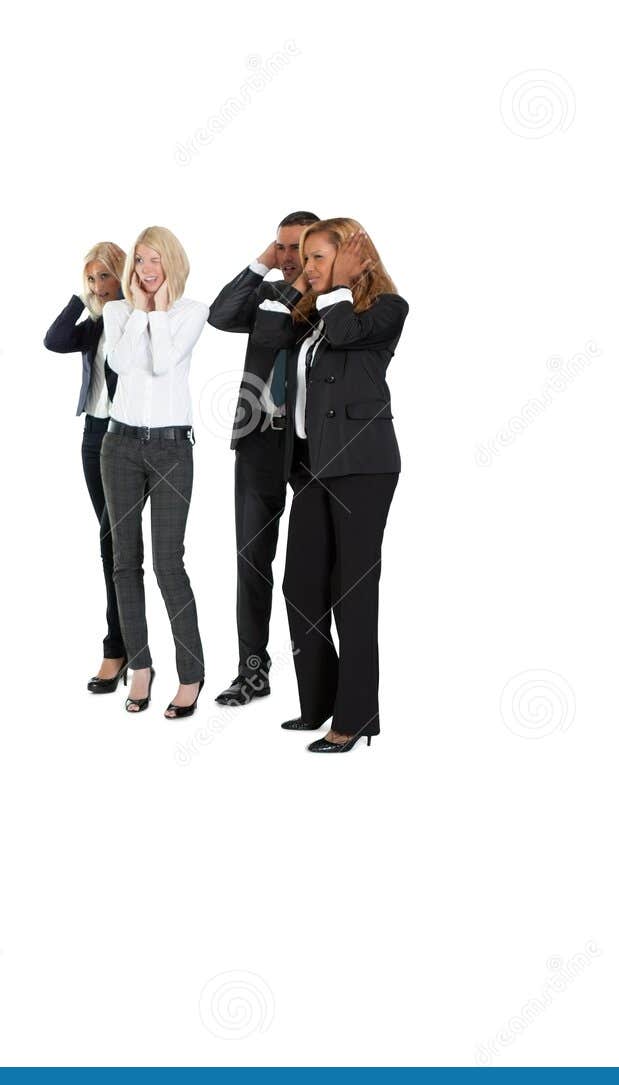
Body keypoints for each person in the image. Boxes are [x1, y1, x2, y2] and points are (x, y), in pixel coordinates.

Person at [250, 218, 407, 753]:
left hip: (363, 468)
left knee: (354, 592)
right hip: (314, 469)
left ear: (352, 260)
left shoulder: (385, 310)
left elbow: (347, 335)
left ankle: (357, 715)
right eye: (307, 257)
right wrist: (301, 287)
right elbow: (262, 332)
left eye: (319, 257)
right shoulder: (312, 316)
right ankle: (319, 702)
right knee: (301, 586)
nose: (307, 266)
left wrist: (338, 286)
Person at [206, 211, 319, 707]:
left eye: (298, 247)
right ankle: (252, 672)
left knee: (315, 566)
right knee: (252, 561)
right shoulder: (267, 295)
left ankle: (317, 681)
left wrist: (302, 285)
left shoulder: (333, 300)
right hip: (258, 439)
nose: (289, 257)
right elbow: (220, 314)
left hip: (313, 445)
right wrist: (263, 263)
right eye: (283, 247)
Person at [98, 226, 208, 719]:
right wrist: (142, 312)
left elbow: (164, 365)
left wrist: (159, 313)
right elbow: (120, 364)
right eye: (140, 259)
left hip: (169, 449)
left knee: (168, 563)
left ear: (172, 263)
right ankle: (139, 666)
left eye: (155, 259)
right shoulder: (118, 311)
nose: (146, 268)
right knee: (125, 562)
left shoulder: (191, 312)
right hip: (119, 445)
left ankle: (191, 673)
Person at [44, 243, 129, 694]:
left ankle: (122, 648)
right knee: (109, 541)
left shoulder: (135, 321)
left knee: (120, 543)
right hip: (94, 433)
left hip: (129, 436)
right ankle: (120, 646)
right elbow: (54, 339)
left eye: (104, 277)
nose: (99, 286)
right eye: (92, 278)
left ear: (123, 275)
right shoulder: (93, 325)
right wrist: (82, 299)